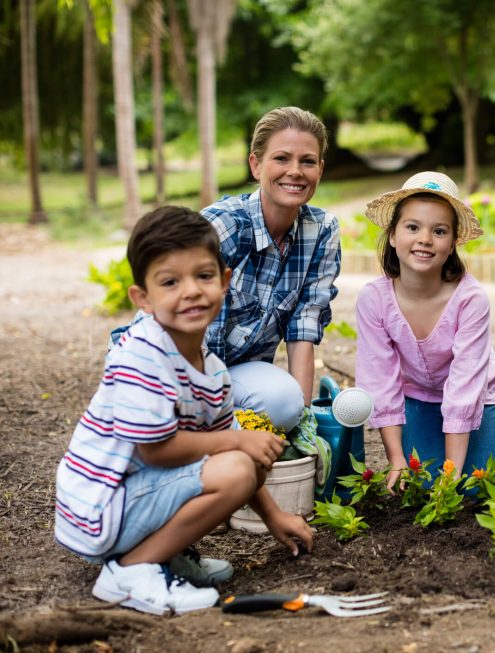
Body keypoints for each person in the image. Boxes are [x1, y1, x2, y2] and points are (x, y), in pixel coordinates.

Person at [55, 207, 314, 615]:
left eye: (204, 276)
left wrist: (274, 516)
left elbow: (236, 449)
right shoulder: (143, 354)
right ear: (143, 298)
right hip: (99, 509)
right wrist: (236, 439)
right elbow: (154, 451)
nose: (191, 291)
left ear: (225, 281)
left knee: (249, 459)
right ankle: (130, 572)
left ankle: (162, 554)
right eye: (170, 282)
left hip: (132, 498)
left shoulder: (210, 367)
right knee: (237, 464)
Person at [355, 171, 495, 490]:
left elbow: (465, 384)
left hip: (475, 395)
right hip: (418, 395)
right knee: (420, 484)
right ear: (393, 235)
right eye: (413, 227)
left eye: (439, 231)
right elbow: (379, 379)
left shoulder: (470, 300)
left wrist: (451, 474)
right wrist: (395, 457)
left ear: (452, 243)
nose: (425, 239)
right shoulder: (374, 299)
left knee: (474, 487)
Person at [201, 106, 340, 432]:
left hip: (240, 370)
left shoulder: (321, 230)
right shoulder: (224, 225)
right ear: (256, 164)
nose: (295, 171)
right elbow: (195, 334)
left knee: (286, 404)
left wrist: (303, 426)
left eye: (307, 161)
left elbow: (304, 325)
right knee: (209, 431)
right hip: (177, 363)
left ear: (320, 169)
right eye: (281, 158)